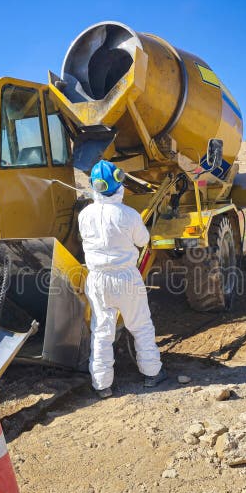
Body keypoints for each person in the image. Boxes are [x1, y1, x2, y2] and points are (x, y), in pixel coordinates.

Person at [78, 160, 166, 398]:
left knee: (102, 331)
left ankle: (102, 385)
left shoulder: (84, 215)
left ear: (95, 187)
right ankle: (152, 373)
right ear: (119, 185)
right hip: (126, 277)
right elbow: (143, 240)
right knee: (140, 326)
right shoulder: (129, 215)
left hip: (97, 279)